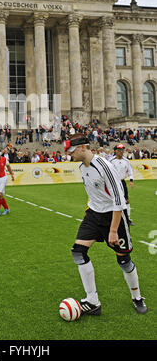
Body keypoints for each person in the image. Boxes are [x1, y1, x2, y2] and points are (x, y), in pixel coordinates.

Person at [64, 133, 147, 315]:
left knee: (123, 260)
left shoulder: (105, 166)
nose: (70, 155)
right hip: (93, 214)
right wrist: (90, 211)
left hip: (114, 215)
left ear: (83, 148)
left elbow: (119, 201)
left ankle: (137, 298)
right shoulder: (81, 166)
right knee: (78, 252)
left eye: (72, 151)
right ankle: (93, 301)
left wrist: (113, 231)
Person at [110, 144, 135, 225]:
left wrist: (131, 180)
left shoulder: (126, 161)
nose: (121, 152)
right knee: (112, 200)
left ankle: (128, 219)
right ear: (115, 151)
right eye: (119, 150)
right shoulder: (111, 161)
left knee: (126, 201)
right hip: (113, 183)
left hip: (122, 182)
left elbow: (130, 171)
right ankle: (111, 218)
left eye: (122, 150)